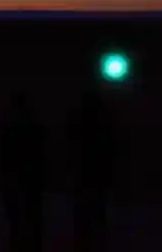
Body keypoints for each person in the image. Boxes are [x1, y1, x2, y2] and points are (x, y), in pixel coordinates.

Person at [0, 93, 45, 252]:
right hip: (28, 175)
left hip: (17, 175)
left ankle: (18, 240)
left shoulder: (9, 128)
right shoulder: (33, 127)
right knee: (28, 212)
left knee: (17, 214)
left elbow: (4, 153)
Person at [71, 87, 117, 252]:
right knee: (95, 214)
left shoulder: (80, 124)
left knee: (87, 215)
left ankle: (86, 242)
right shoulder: (102, 125)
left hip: (87, 176)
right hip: (94, 176)